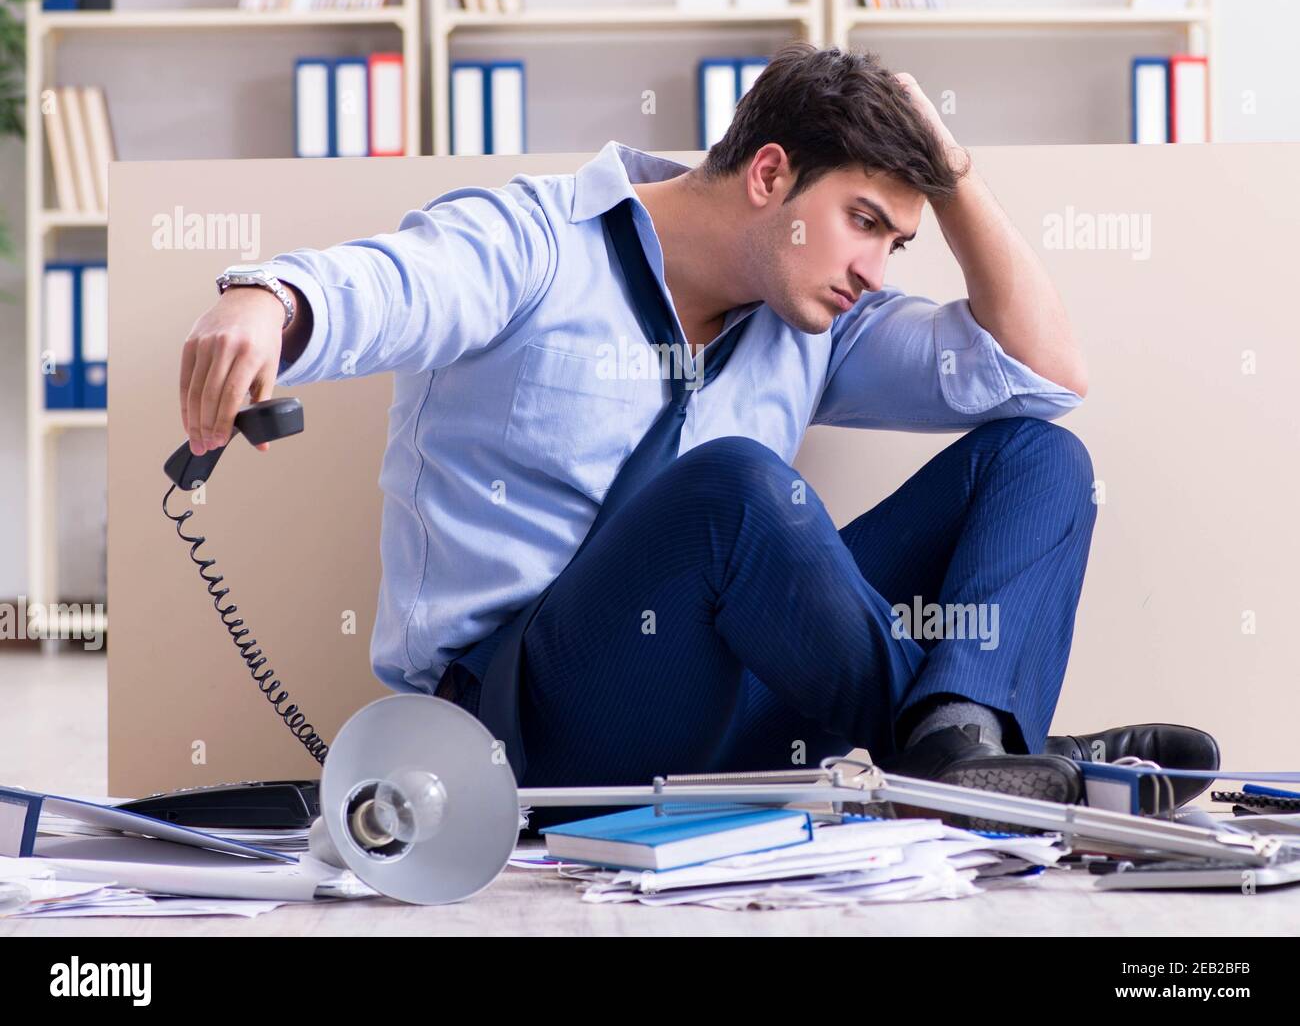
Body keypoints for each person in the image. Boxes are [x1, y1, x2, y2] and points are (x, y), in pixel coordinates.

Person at [180, 42, 1217, 829]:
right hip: (533, 718)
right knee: (736, 488)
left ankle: (962, 740)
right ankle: (973, 749)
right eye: (865, 221)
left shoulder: (817, 320)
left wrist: (952, 172)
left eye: (898, 241)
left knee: (1039, 456)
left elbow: (1039, 375)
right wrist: (271, 300)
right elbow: (398, 284)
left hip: (741, 706)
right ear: (768, 174)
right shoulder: (536, 242)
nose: (878, 271)